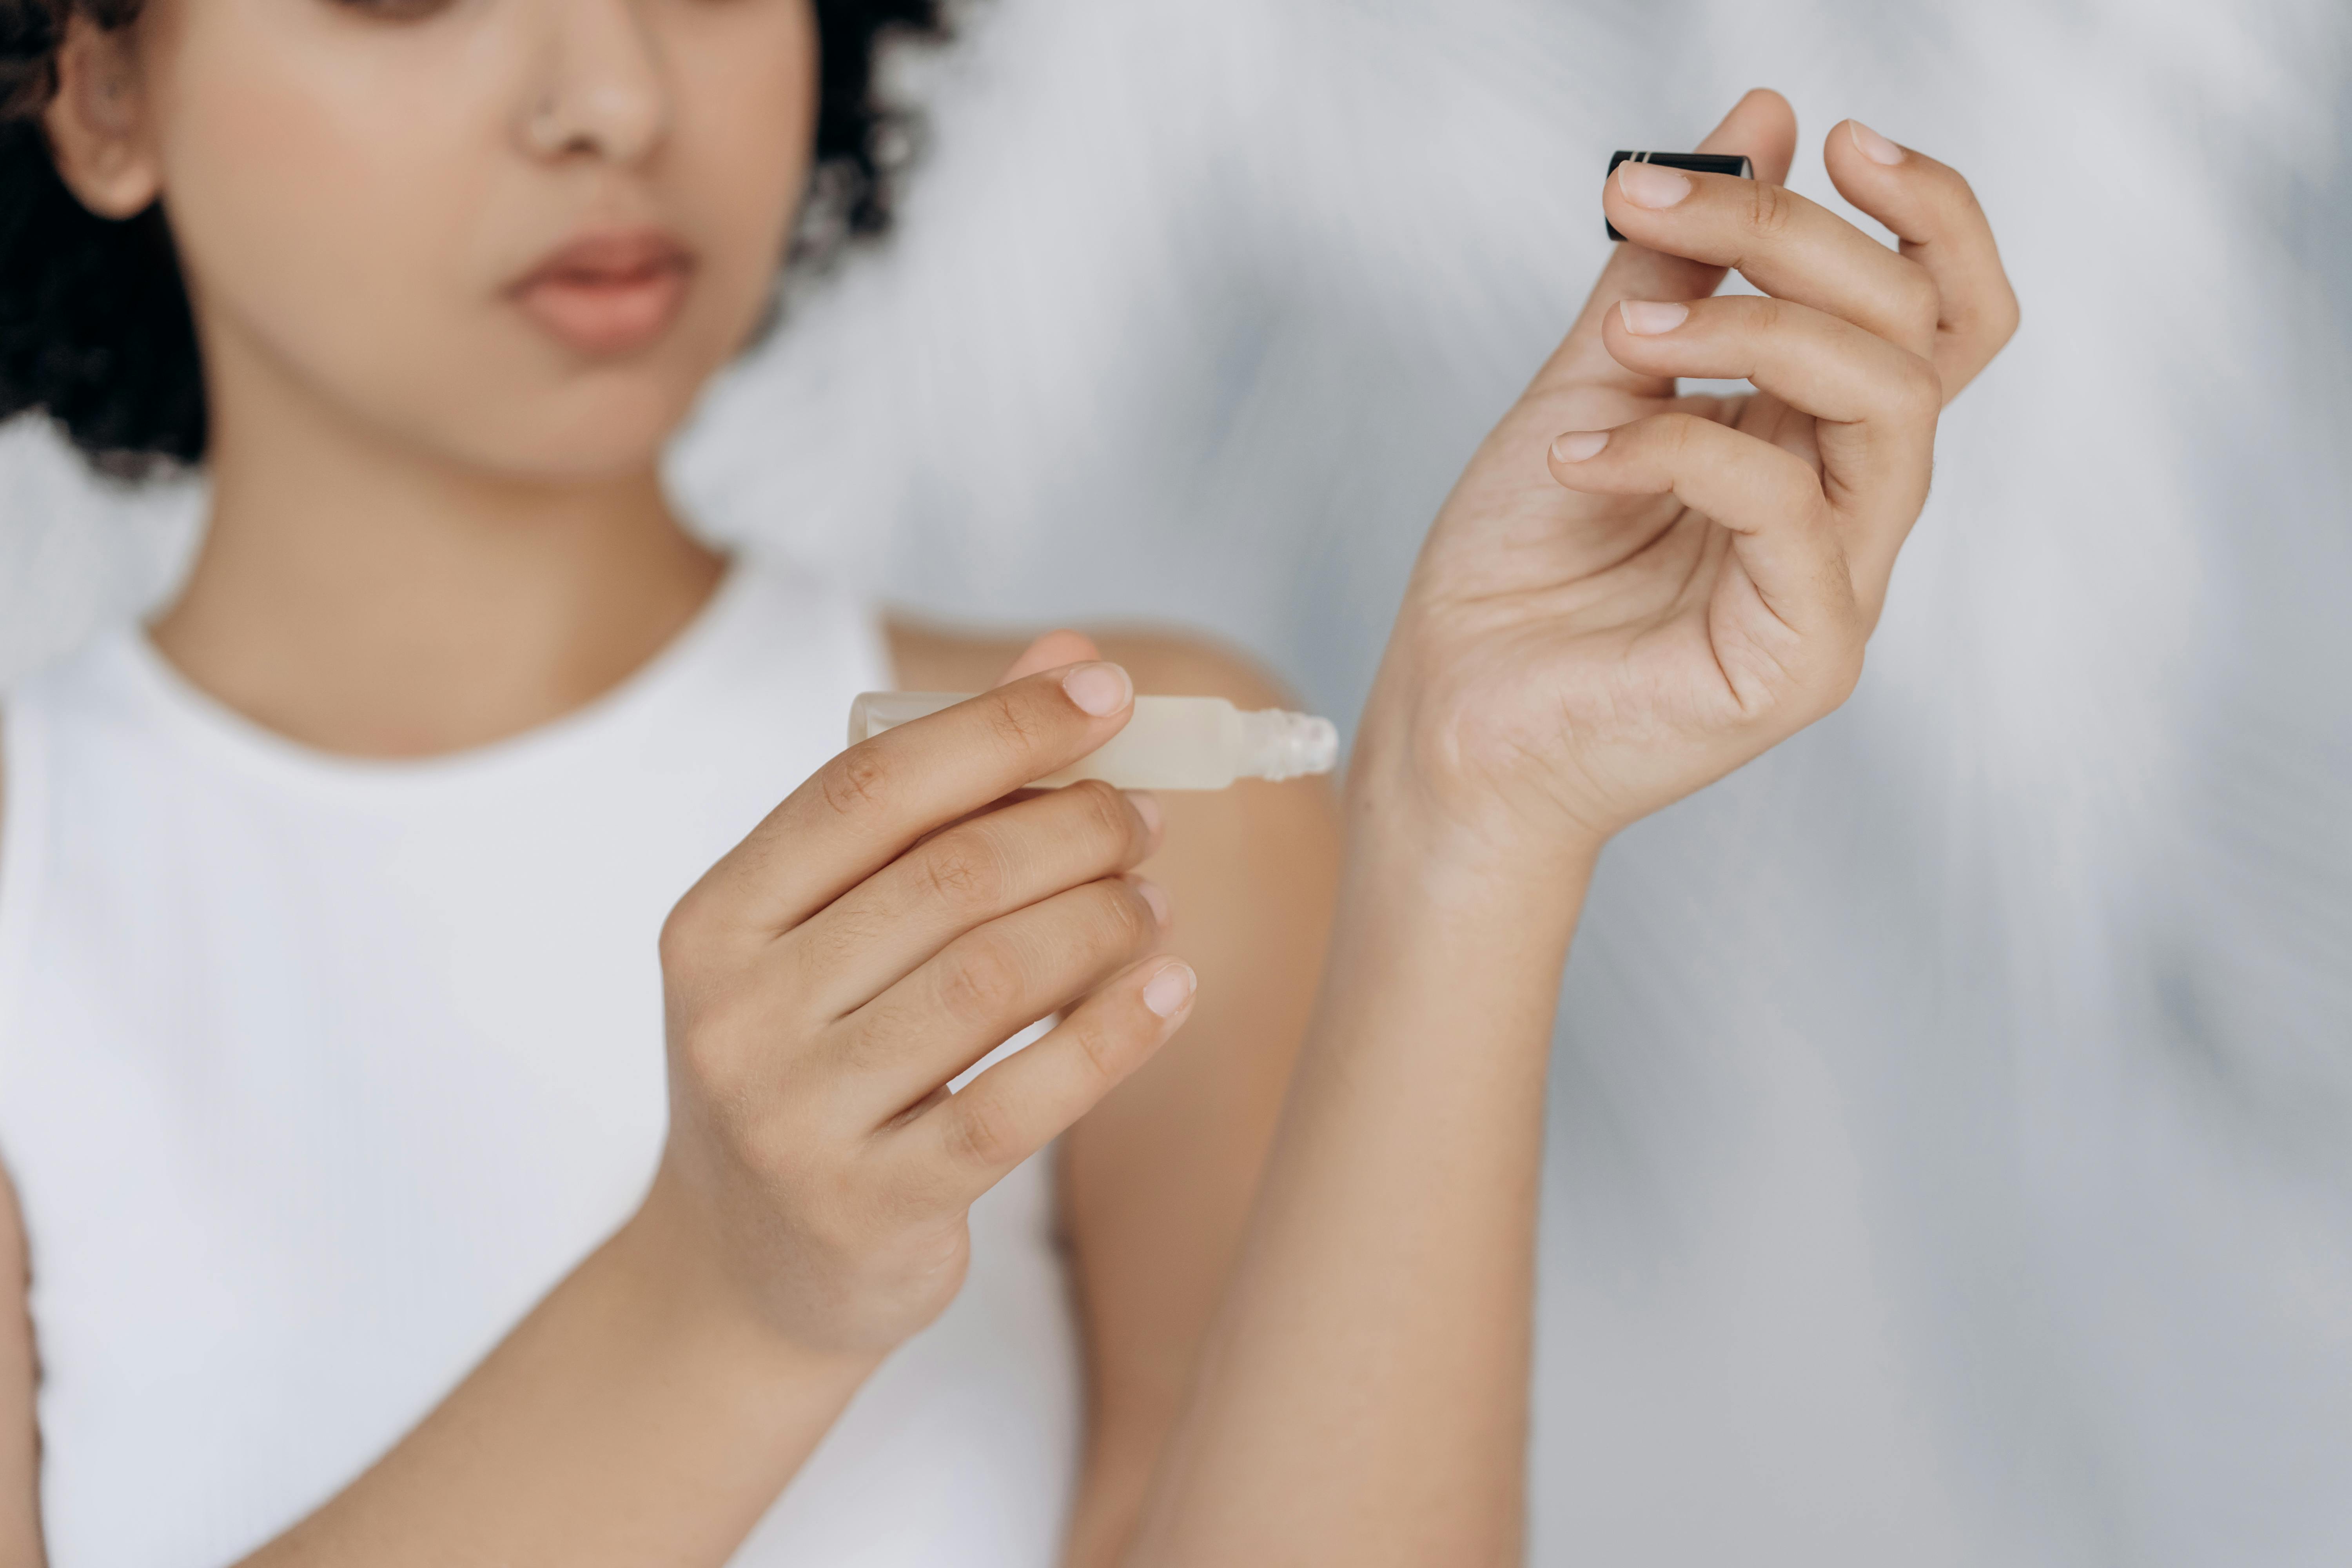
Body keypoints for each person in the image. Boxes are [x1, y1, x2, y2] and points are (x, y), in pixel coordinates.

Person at [0, 0, 2016, 1559]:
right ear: (98, 88)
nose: (610, 91)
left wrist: (1473, 832)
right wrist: (733, 1302)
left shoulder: (1156, 809)